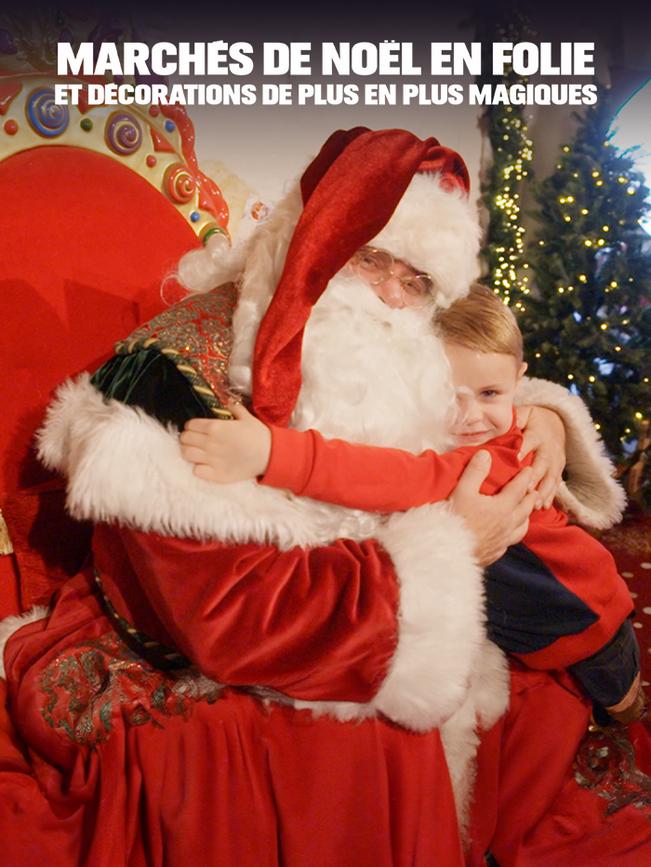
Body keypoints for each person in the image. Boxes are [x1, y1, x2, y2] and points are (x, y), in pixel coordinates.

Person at [0, 127, 640, 866]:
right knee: (349, 747)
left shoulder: (387, 342)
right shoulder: (171, 381)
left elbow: (460, 387)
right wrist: (450, 549)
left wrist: (543, 418)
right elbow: (232, 621)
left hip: (366, 590)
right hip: (185, 643)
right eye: (371, 260)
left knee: (543, 683)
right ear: (317, 245)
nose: (391, 299)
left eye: (416, 281)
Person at [181, 282, 644, 725]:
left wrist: (270, 453)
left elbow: (385, 475)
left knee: (622, 710)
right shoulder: (470, 431)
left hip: (591, 621)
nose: (469, 417)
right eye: (451, 395)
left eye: (489, 395)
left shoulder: (486, 459)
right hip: (530, 620)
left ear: (518, 383)